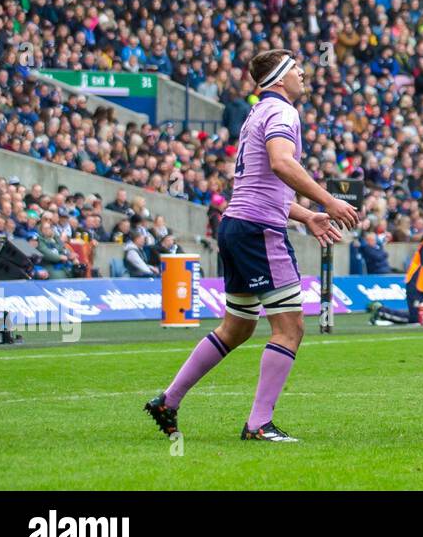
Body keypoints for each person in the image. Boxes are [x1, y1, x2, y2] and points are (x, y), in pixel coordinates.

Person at [145, 49, 360, 443]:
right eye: (297, 68)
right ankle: (259, 423)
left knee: (238, 326)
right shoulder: (283, 112)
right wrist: (327, 201)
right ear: (280, 77)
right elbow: (280, 163)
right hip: (259, 231)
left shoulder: (257, 113)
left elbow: (260, 183)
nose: (304, 72)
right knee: (290, 328)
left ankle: (168, 400)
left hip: (237, 225)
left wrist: (306, 216)